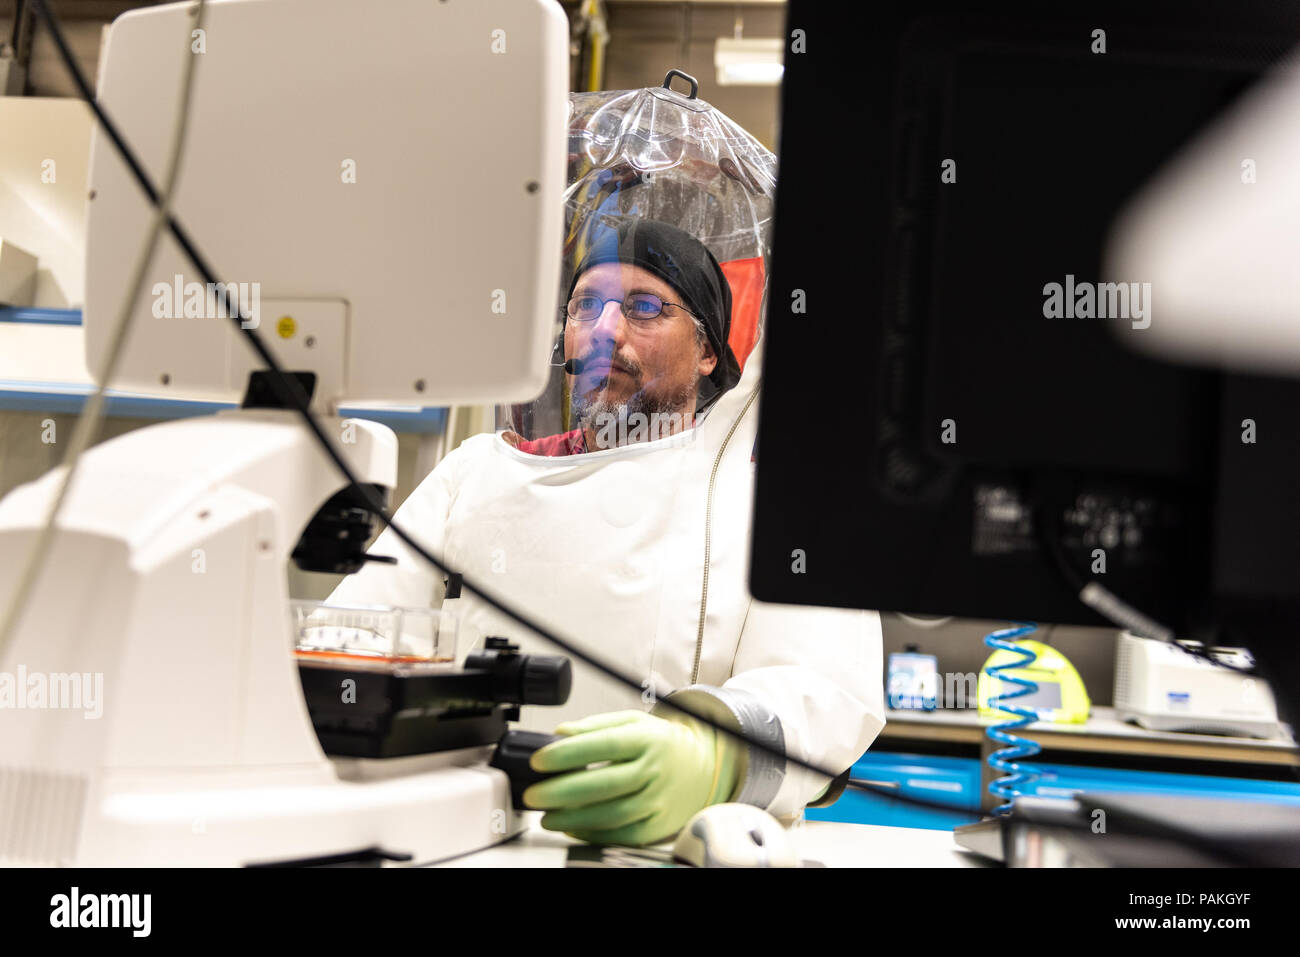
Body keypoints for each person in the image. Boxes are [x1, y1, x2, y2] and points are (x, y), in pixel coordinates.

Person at [327, 218, 885, 846]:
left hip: (677, 847)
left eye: (645, 308)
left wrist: (715, 759)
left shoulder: (775, 505)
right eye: (586, 305)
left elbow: (826, 691)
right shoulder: (475, 473)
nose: (605, 330)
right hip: (469, 840)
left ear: (707, 352)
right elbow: (353, 633)